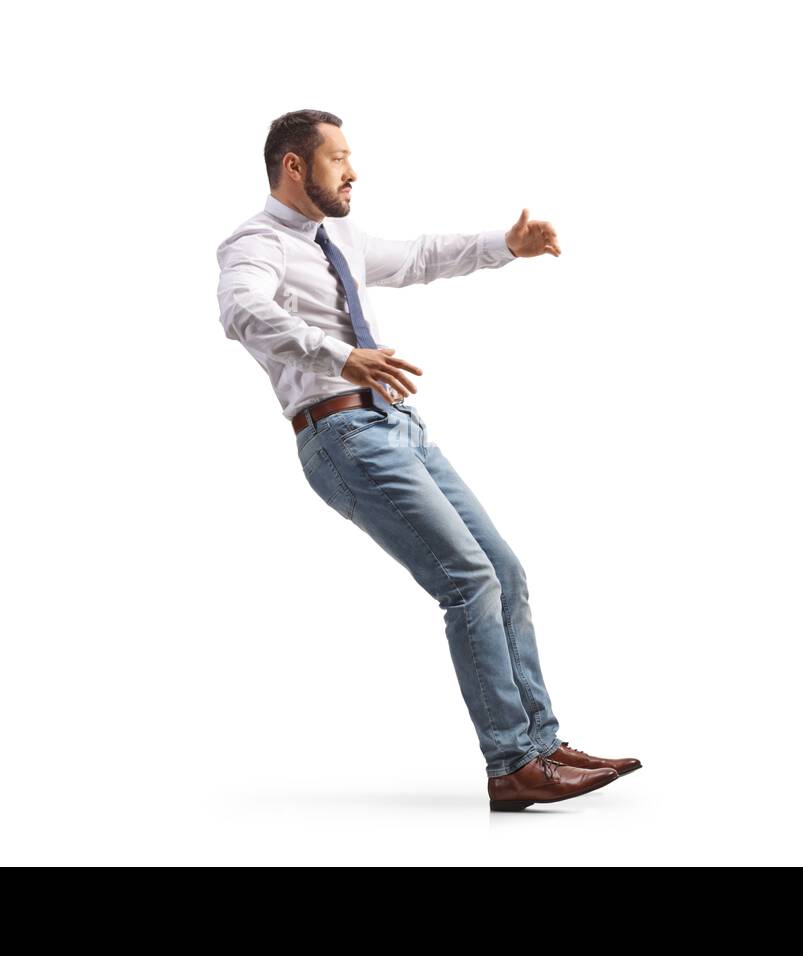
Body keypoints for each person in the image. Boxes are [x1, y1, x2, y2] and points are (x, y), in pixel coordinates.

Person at [215, 109, 641, 810]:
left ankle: (540, 742)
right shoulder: (253, 245)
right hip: (341, 435)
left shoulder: (338, 238)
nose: (353, 171)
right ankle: (510, 764)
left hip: (394, 424)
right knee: (467, 580)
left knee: (503, 570)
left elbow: (417, 257)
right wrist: (341, 354)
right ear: (294, 166)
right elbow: (240, 312)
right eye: (338, 158)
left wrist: (504, 245)